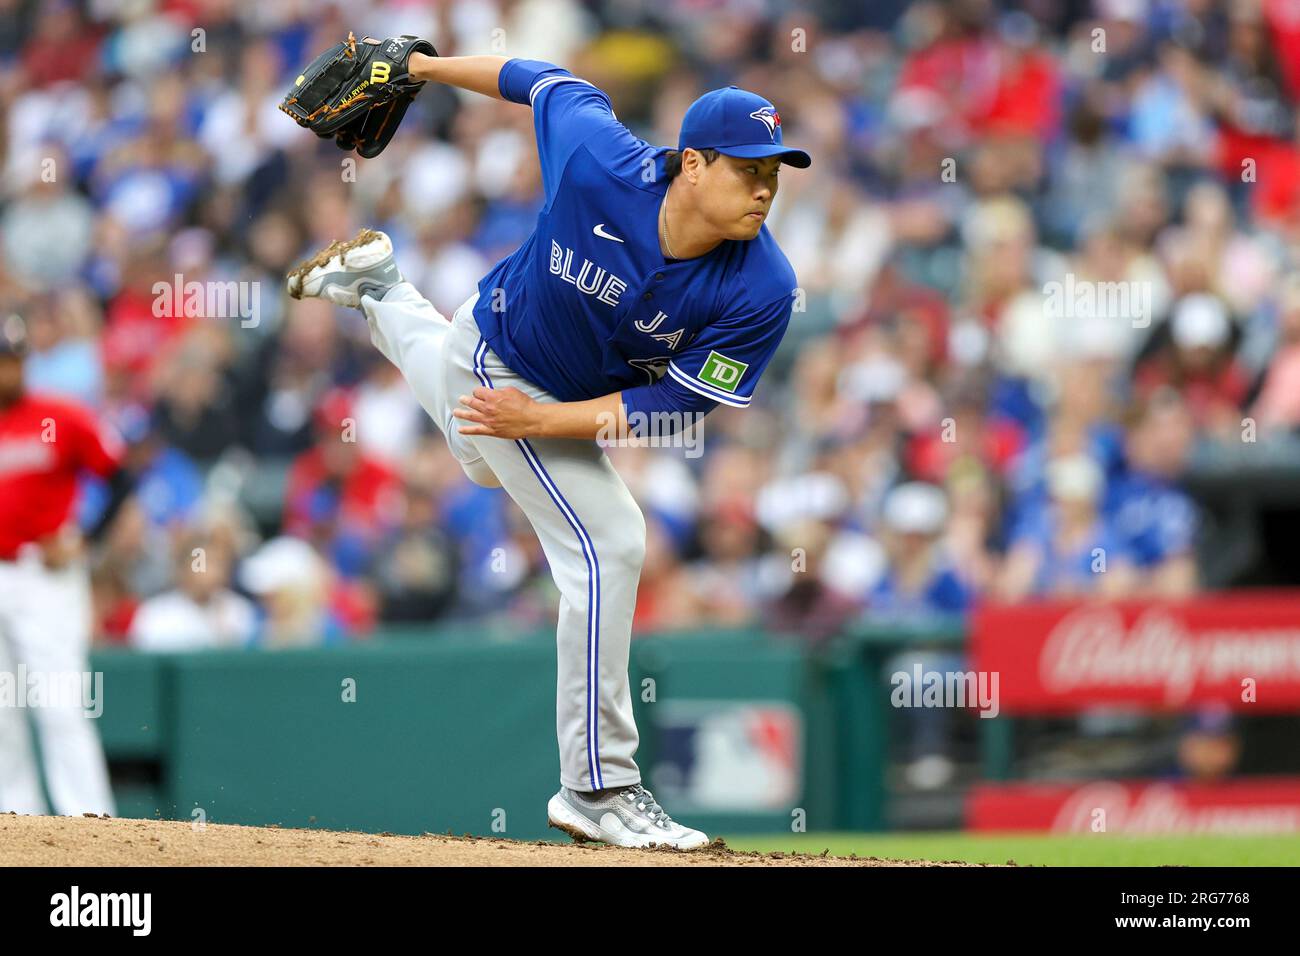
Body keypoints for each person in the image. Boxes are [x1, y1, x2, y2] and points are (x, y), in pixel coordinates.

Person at [286, 49, 810, 848]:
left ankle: (381, 290)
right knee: (613, 540)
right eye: (749, 169)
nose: (766, 187)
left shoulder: (763, 285)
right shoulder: (603, 159)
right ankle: (599, 786)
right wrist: (424, 65)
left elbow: (678, 411)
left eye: (775, 170)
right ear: (693, 165)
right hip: (497, 346)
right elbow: (544, 80)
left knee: (479, 458)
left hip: (540, 400)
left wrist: (542, 423)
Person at [0, 315, 131, 816]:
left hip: (42, 577)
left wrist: (85, 538)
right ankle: (17, 824)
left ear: (24, 362)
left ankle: (90, 823)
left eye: (10, 361)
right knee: (3, 714)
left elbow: (120, 478)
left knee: (59, 705)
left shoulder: (60, 416)